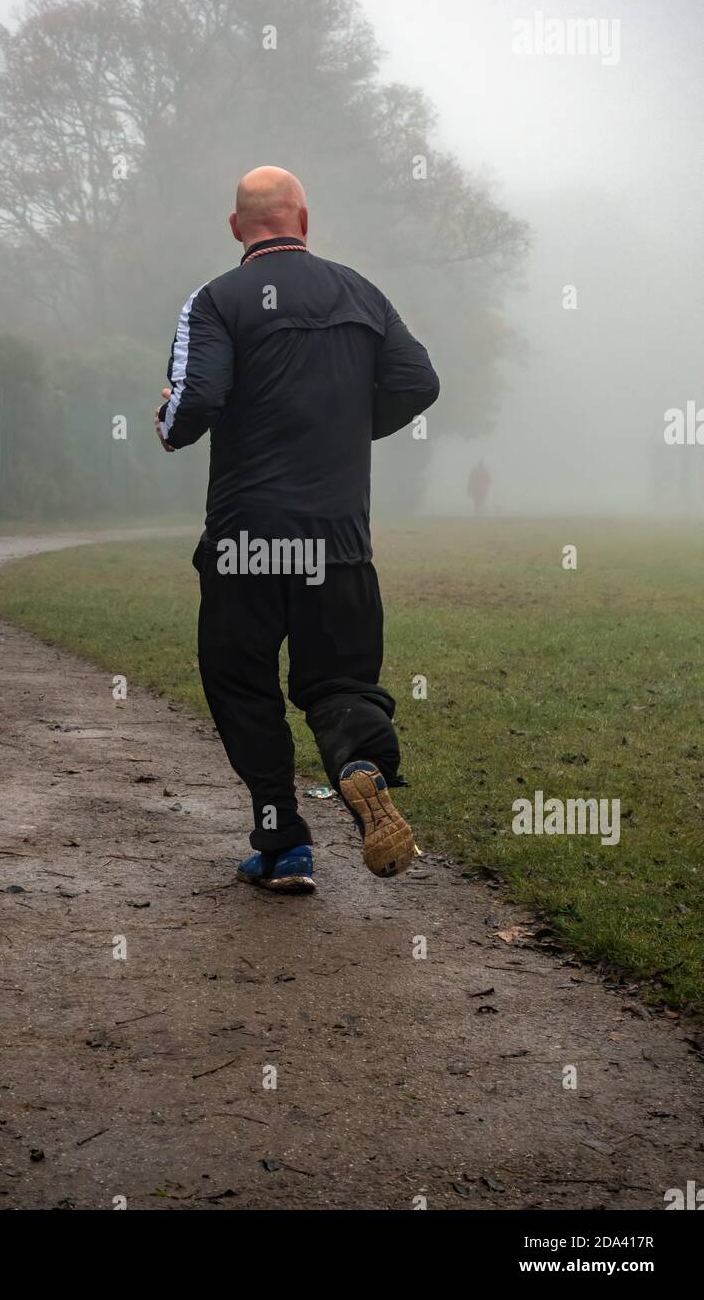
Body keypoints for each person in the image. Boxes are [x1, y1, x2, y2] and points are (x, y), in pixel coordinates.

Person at [154, 166, 439, 893]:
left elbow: (195, 403)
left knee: (242, 683)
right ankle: (356, 763)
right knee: (339, 679)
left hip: (245, 538)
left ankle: (283, 845)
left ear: (235, 227)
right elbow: (417, 382)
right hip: (337, 543)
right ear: (303, 221)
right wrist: (345, 426)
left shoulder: (216, 300)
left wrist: (165, 417)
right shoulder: (360, 292)